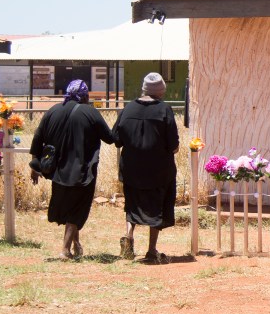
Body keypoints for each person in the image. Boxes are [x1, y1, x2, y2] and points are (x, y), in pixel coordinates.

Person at [29, 79, 116, 260]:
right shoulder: (90, 112)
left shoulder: (53, 111)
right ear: (85, 96)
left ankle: (76, 245)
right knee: (76, 210)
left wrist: (35, 166)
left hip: (57, 171)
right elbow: (109, 138)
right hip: (82, 171)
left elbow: (38, 138)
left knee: (69, 208)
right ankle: (65, 250)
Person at [112, 72, 179, 264]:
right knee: (156, 206)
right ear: (161, 91)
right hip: (158, 170)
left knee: (132, 203)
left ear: (144, 88)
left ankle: (129, 235)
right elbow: (173, 144)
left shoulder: (128, 109)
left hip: (131, 169)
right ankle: (151, 250)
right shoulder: (164, 110)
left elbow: (116, 139)